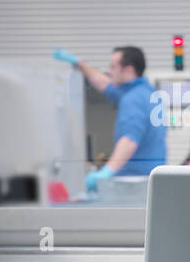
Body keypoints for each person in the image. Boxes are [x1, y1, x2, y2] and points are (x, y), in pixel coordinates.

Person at [52, 45, 165, 190]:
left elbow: (129, 140)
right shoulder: (147, 93)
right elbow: (105, 84)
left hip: (135, 183)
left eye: (113, 67)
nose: (109, 72)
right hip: (150, 180)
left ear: (129, 69)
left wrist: (106, 172)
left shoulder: (133, 99)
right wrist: (78, 63)